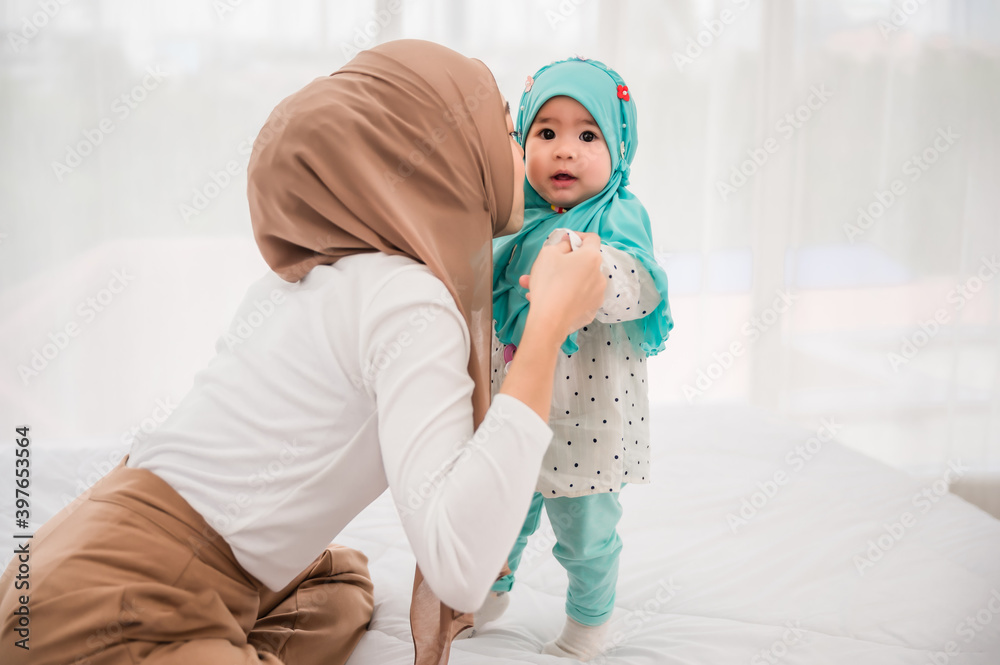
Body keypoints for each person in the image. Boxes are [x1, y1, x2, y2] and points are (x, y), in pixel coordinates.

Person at [0, 40, 608, 665]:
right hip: (117, 600)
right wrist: (548, 326)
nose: (521, 151)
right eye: (506, 130)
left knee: (343, 588)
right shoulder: (410, 301)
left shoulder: (315, 274)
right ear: (440, 155)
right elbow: (459, 568)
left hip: (74, 549)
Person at [482, 56, 674, 660]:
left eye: (589, 135)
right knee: (495, 512)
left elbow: (643, 289)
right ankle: (485, 595)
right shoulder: (509, 217)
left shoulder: (618, 219)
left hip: (587, 420)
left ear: (620, 146)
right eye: (546, 132)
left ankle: (587, 623)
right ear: (521, 144)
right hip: (511, 404)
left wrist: (593, 269)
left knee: (585, 533)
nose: (565, 150)